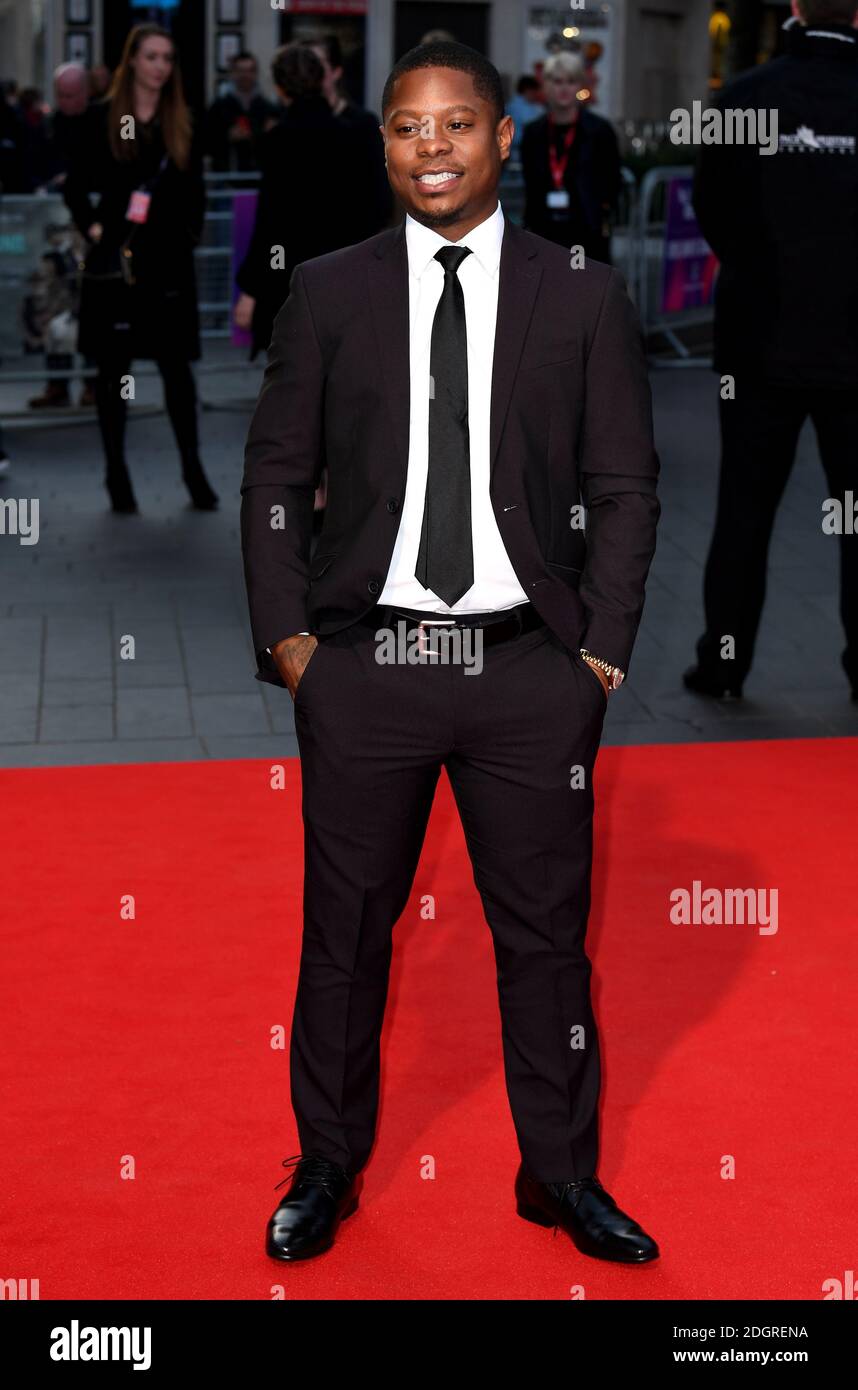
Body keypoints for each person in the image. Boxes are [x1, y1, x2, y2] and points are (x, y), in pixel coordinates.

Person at [241, 39, 660, 1265]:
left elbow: (624, 485)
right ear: (382, 143)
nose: (434, 146)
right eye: (410, 126)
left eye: (458, 124)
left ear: (502, 138)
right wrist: (291, 643)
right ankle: (326, 1165)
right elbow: (275, 476)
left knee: (544, 938)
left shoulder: (577, 292)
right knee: (345, 932)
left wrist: (601, 659)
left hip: (533, 669)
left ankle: (561, 1176)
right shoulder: (329, 291)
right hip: (367, 665)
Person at [684, 0, 858, 699]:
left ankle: (723, 662)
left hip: (760, 347)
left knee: (744, 511)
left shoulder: (747, 96)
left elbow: (711, 206)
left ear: (793, 8)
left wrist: (761, 272)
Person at [64, 23, 218, 513]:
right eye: (152, 56)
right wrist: (93, 228)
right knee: (114, 373)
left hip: (169, 265)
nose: (160, 66)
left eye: (168, 58)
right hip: (119, 263)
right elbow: (73, 185)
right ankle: (116, 472)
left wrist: (189, 238)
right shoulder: (101, 119)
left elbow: (196, 192)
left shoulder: (183, 120)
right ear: (133, 60)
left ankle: (192, 470)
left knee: (178, 372)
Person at [233, 44, 362, 360]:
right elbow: (371, 212)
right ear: (321, 80)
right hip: (344, 281)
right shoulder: (351, 137)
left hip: (288, 284)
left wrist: (251, 289)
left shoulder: (279, 141)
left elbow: (271, 223)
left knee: (292, 390)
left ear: (279, 87)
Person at [521, 50, 621, 263]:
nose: (564, 88)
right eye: (557, 81)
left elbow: (612, 180)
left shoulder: (600, 130)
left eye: (571, 81)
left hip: (587, 231)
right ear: (546, 86)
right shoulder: (533, 132)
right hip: (543, 230)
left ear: (579, 85)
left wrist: (602, 214)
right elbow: (530, 182)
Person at [302, 34, 392, 239]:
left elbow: (379, 194)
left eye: (317, 64)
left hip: (351, 243)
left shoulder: (363, 124)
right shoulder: (292, 126)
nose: (310, 72)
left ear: (335, 72)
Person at [204, 50, 274, 173]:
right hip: (226, 178)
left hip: (260, 176)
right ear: (233, 73)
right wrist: (227, 136)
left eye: (250, 70)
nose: (245, 75)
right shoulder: (218, 106)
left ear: (256, 73)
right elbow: (204, 143)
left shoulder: (269, 108)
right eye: (241, 70)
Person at [505, 73, 543, 155]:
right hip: (518, 153)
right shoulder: (517, 108)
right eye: (535, 91)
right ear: (528, 90)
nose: (536, 95)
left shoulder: (511, 105)